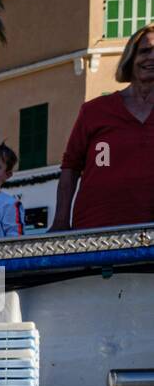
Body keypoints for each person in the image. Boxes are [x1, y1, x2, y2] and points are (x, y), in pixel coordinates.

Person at [52, 23, 154, 231]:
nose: (152, 57)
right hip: (96, 227)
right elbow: (71, 167)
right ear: (130, 58)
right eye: (145, 51)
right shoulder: (95, 111)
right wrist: (61, 221)